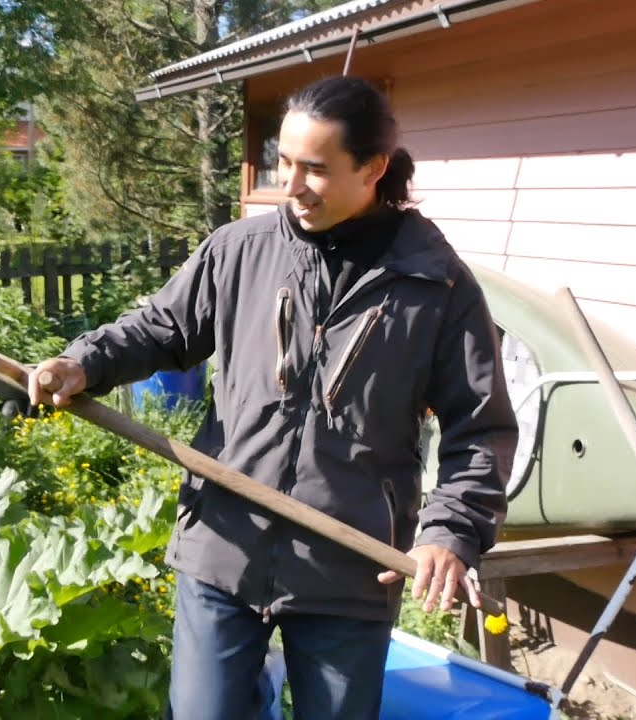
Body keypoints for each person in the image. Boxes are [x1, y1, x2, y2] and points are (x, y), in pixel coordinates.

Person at [28, 75, 517, 720]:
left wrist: (449, 533)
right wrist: (82, 363)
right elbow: (162, 329)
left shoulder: (437, 287)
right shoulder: (240, 250)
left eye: (314, 169)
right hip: (223, 545)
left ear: (373, 168)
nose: (289, 187)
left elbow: (478, 429)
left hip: (349, 567)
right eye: (283, 162)